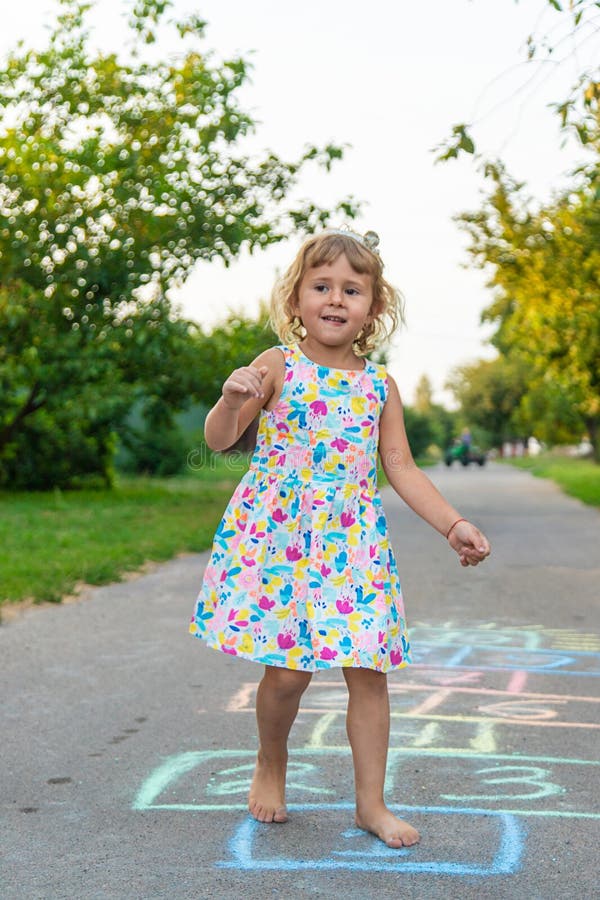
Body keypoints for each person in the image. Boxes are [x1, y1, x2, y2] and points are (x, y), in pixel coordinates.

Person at [189, 228, 490, 849]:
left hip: (352, 547)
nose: (335, 298)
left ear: (373, 308)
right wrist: (229, 398)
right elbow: (220, 441)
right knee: (289, 676)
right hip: (281, 544)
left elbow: (401, 468)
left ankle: (370, 804)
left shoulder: (379, 386)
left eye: (351, 289)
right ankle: (272, 761)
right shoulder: (277, 366)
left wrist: (453, 523)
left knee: (370, 671)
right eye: (321, 286)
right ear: (296, 298)